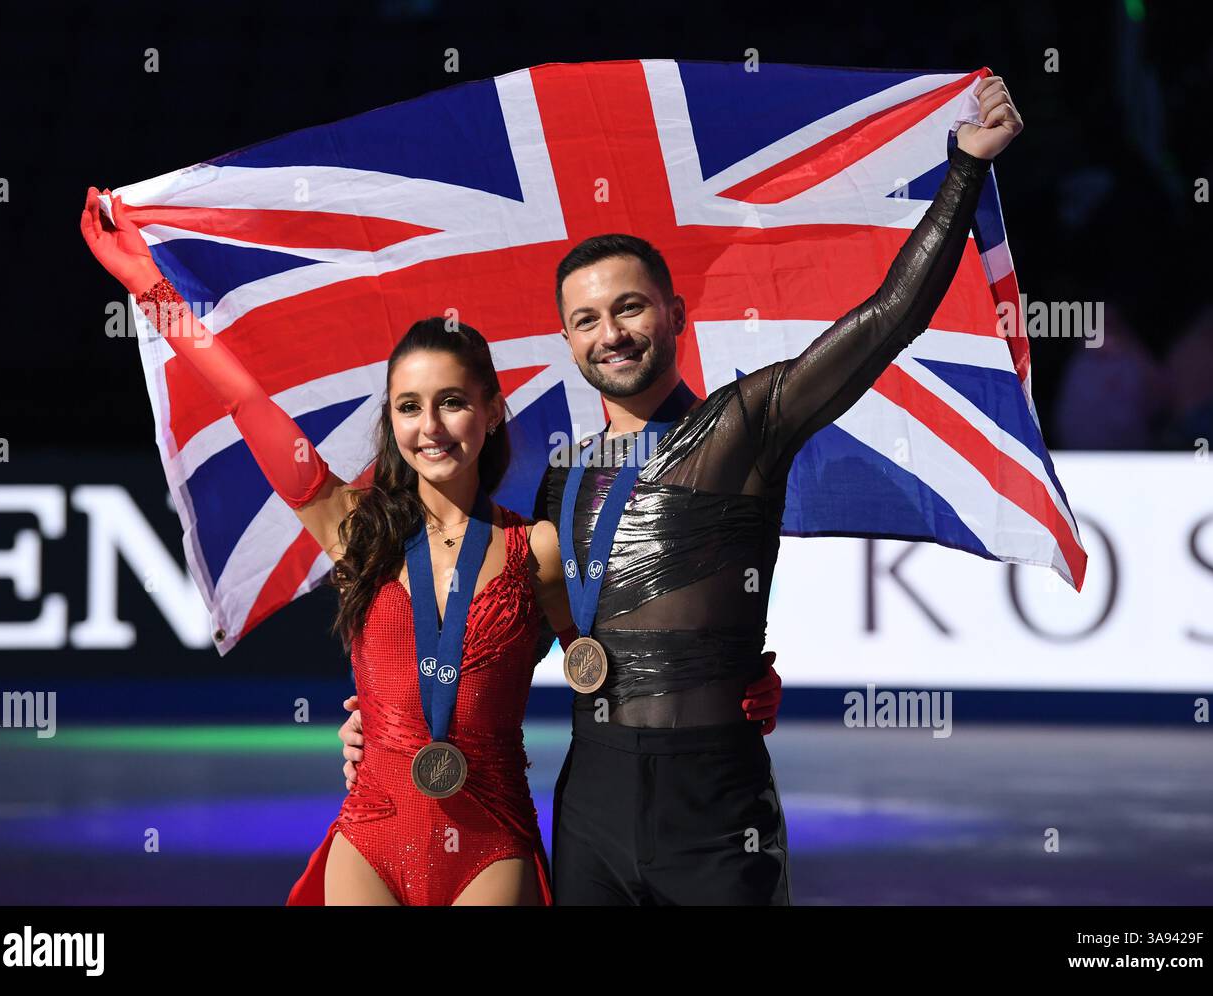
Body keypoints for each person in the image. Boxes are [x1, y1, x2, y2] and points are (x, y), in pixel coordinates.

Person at [340, 73, 1022, 905]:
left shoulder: (746, 423)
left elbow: (887, 318)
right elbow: (509, 634)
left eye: (630, 309)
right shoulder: (566, 476)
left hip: (716, 806)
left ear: (675, 314)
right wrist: (391, 726)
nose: (611, 334)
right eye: (587, 320)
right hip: (590, 800)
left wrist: (963, 172)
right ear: (566, 340)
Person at [79, 186, 784, 904]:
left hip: (488, 841)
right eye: (408, 408)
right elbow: (244, 401)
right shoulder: (354, 532)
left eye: (451, 402)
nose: (431, 428)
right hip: (372, 834)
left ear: (490, 410)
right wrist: (147, 286)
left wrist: (737, 679)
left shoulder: (534, 548)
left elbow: (624, 653)